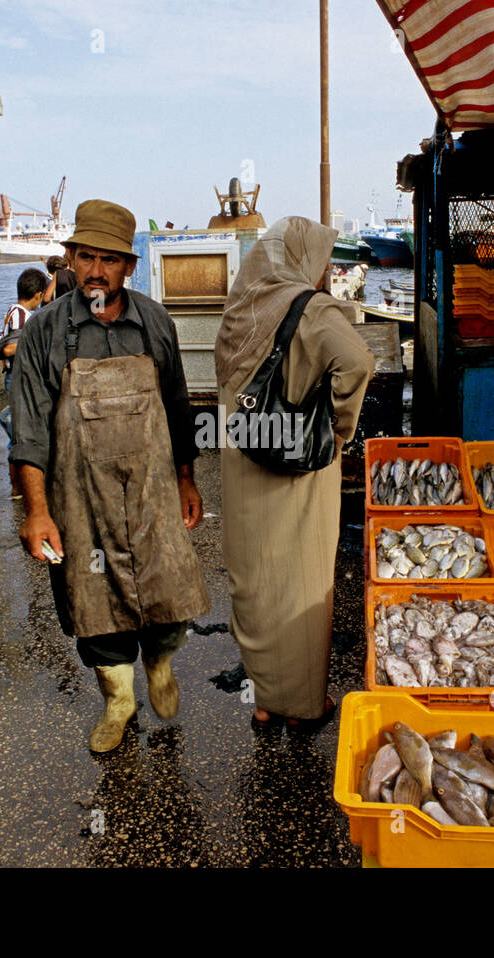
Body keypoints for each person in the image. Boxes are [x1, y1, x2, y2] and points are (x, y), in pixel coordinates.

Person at [8, 199, 209, 753]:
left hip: (153, 489)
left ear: (130, 266)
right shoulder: (45, 331)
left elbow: (177, 408)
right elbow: (28, 429)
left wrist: (186, 479)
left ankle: (161, 664)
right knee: (93, 599)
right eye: (86, 257)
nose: (96, 271)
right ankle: (119, 700)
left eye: (110, 260)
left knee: (165, 588)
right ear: (71, 258)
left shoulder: (155, 322)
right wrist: (38, 511)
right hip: (79, 497)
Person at [215, 216, 374, 727]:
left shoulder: (241, 305)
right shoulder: (312, 308)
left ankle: (266, 700)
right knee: (301, 582)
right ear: (304, 260)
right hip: (298, 466)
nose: (326, 270)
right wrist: (338, 427)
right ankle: (304, 706)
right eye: (322, 260)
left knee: (256, 581)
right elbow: (357, 361)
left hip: (244, 459)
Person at [0, 268, 49, 497]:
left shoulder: (14, 311)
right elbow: (9, 349)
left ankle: (19, 486)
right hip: (18, 378)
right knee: (20, 433)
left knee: (17, 428)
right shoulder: (21, 316)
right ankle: (18, 487)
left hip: (16, 378)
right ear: (38, 295)